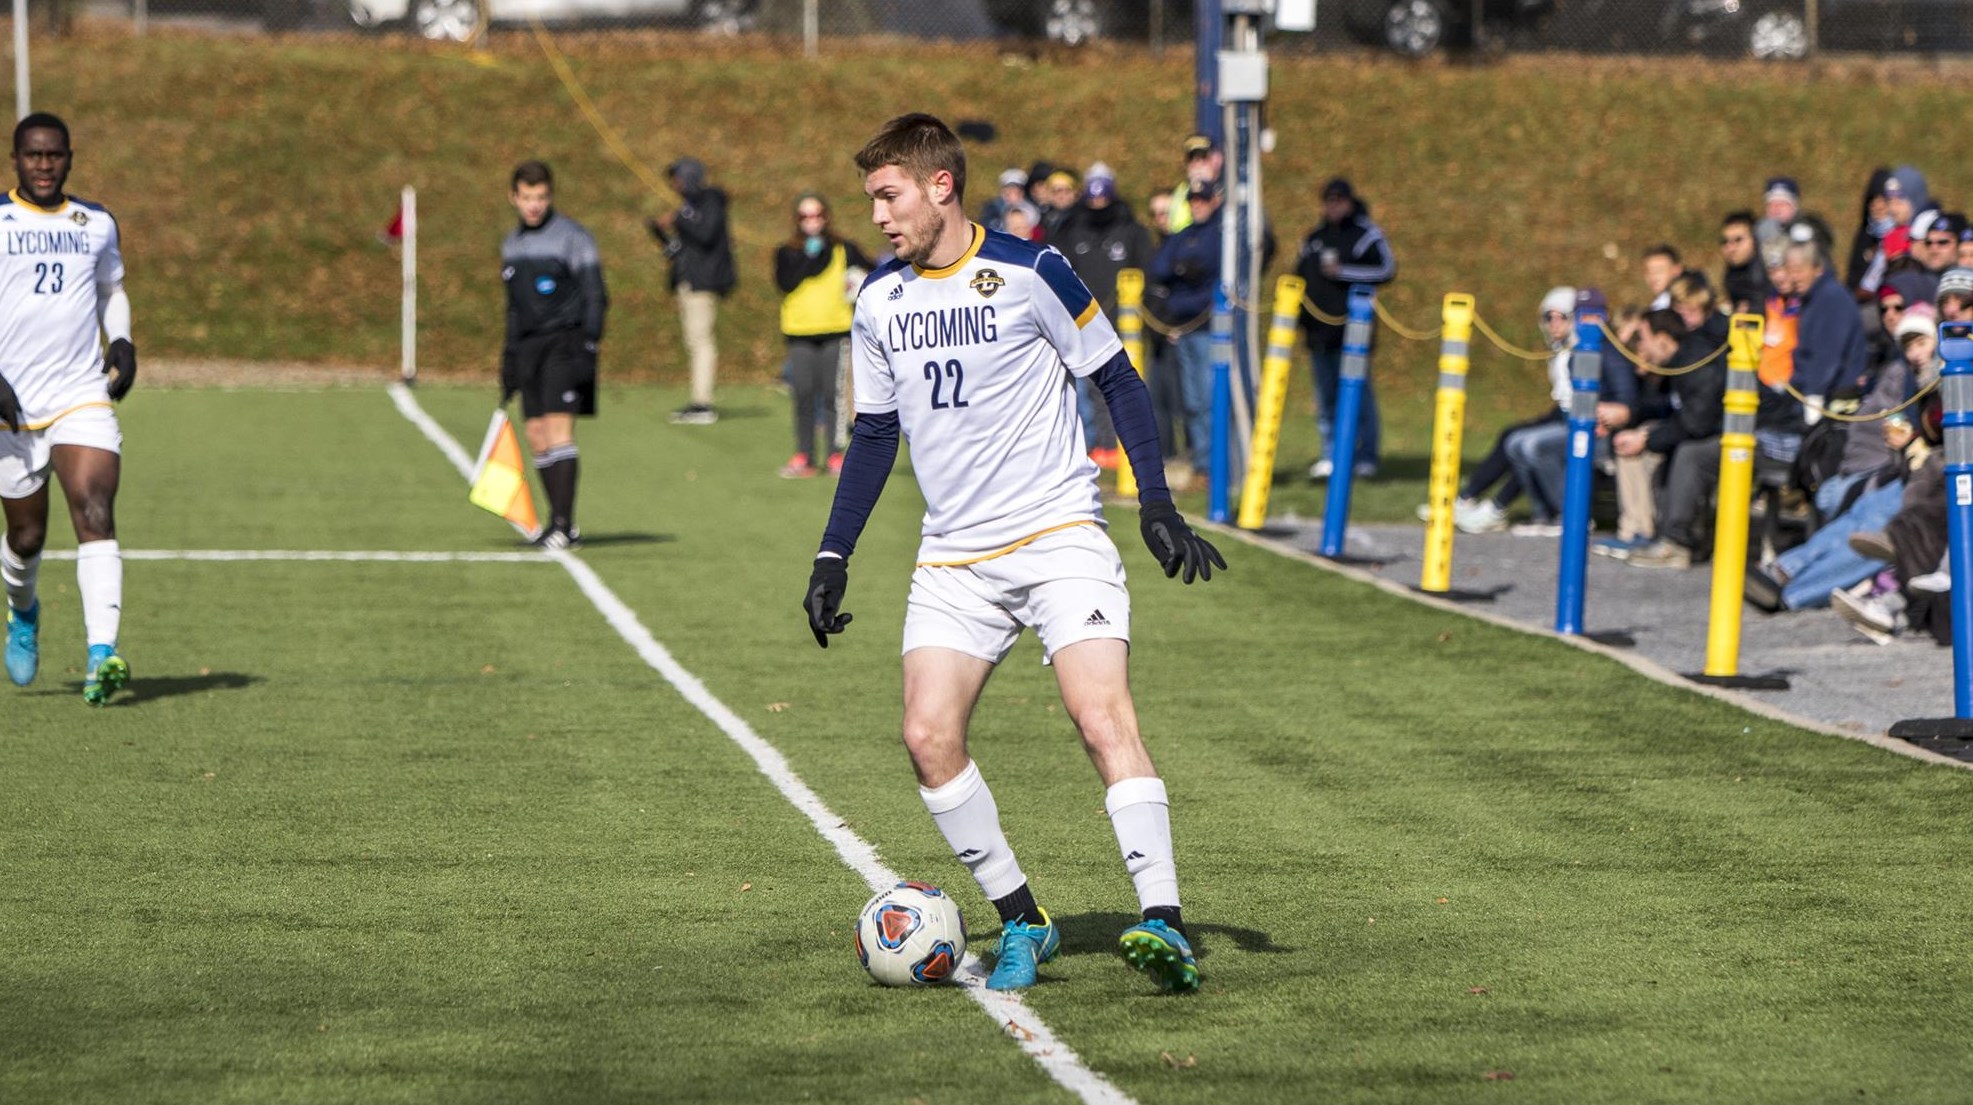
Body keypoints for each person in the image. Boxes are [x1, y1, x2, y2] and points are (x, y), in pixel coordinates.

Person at [802, 113, 1225, 995]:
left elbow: (1115, 376)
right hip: (954, 558)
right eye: (871, 199)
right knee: (926, 736)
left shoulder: (1033, 270)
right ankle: (1023, 919)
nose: (877, 216)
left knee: (1099, 715)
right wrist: (833, 553)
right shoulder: (878, 300)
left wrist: (1154, 500)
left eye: (888, 196)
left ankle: (1165, 920)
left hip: (1059, 534)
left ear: (940, 186)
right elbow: (874, 433)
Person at [0, 113, 137, 704]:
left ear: (70, 159)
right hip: (10, 405)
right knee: (26, 536)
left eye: (54, 155)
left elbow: (111, 289)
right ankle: (22, 611)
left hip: (80, 392)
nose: (44, 165)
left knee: (95, 508)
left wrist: (122, 340)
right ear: (15, 160)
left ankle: (101, 654)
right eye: (33, 155)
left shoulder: (96, 224)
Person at [501, 160, 608, 551]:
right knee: (536, 435)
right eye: (527, 197)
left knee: (559, 430)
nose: (534, 205)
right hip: (529, 347)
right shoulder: (512, 244)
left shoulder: (573, 237)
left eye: (541, 197)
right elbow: (513, 306)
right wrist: (509, 357)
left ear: (551, 196)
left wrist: (589, 341)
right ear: (514, 198)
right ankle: (557, 523)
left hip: (565, 343)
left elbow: (595, 293)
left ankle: (563, 525)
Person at [1435, 286, 1577, 533]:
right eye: (1549, 317)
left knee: (1526, 444)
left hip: (1577, 421)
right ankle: (1470, 499)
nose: (1554, 324)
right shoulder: (1558, 349)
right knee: (1511, 436)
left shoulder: (1579, 350)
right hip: (1563, 415)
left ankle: (1497, 507)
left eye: (1562, 317)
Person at [1053, 165, 1154, 468]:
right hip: (1084, 322)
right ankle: (1103, 444)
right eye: (1093, 200)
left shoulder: (1131, 230)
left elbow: (1147, 270)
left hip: (1125, 324)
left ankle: (1130, 445)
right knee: (1090, 389)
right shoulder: (1073, 230)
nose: (1098, 206)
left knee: (1127, 384)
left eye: (1103, 200)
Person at [1296, 177, 1396, 480]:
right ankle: (1332, 454)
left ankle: (1366, 456)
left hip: (1353, 332)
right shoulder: (1314, 237)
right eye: (1329, 199)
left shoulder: (1365, 235)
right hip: (1318, 333)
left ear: (1350, 202)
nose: (1334, 205)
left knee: (1359, 395)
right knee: (1326, 397)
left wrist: (1343, 272)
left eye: (1339, 199)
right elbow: (1299, 277)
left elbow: (1387, 269)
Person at [774, 192, 873, 478]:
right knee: (804, 394)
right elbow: (785, 282)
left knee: (834, 396)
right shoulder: (787, 251)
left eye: (817, 215)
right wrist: (809, 257)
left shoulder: (844, 248)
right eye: (805, 216)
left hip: (836, 331)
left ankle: (835, 455)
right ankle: (804, 455)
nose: (812, 221)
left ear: (826, 217)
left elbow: (871, 271)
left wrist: (856, 283)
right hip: (799, 332)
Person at [647, 156, 734, 425]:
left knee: (701, 340)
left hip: (703, 282)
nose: (674, 185)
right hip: (689, 282)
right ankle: (699, 401)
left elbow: (705, 234)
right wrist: (659, 233)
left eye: (677, 179)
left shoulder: (710, 201)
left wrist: (678, 219)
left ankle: (702, 403)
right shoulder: (690, 207)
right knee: (694, 340)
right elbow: (679, 251)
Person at [1149, 178, 1225, 481]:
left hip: (1207, 327)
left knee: (1208, 398)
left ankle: (1213, 464)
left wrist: (1185, 273)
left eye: (1202, 200)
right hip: (1183, 326)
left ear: (1213, 202)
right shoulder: (1183, 235)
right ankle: (1201, 463)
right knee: (1191, 401)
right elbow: (1160, 267)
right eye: (1193, 201)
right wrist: (1184, 270)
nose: (1197, 205)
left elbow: (1212, 276)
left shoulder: (1219, 235)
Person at [1166, 134, 1222, 233]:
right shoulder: (1180, 192)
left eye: (1203, 157)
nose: (1197, 164)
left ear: (1217, 160)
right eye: (1191, 158)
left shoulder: (1230, 192)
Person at [1719, 211, 1769, 314]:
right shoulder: (1732, 273)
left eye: (1738, 240)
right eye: (1725, 241)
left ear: (1755, 240)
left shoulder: (1770, 273)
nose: (1731, 248)